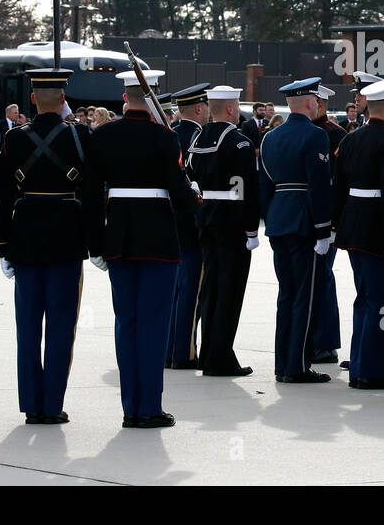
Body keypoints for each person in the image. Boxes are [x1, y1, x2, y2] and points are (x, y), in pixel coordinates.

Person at [82, 69, 198, 428]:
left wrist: (95, 244)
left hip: (118, 236)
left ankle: (130, 406)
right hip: (158, 240)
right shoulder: (165, 139)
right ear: (153, 98)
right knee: (154, 324)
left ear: (123, 98)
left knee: (127, 322)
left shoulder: (102, 136)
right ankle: (148, 407)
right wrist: (192, 192)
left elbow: (89, 195)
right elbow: (179, 195)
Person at [0, 69, 91, 425]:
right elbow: (92, 193)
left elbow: (5, 197)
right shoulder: (80, 136)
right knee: (61, 326)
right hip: (67, 236)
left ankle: (31, 404)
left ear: (33, 100)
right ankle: (52, 404)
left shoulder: (15, 138)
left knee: (28, 327)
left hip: (26, 236)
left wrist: (3, 244)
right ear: (63, 99)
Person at [331, 78, 384, 390]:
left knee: (364, 298)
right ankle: (373, 372)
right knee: (381, 302)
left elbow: (337, 187)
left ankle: (359, 367)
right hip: (379, 233)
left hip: (353, 230)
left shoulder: (350, 139)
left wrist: (338, 225)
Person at [259, 77, 333, 384]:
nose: (318, 104)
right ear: (307, 102)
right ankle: (297, 366)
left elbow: (264, 186)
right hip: (304, 222)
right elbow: (318, 185)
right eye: (316, 99)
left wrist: (269, 217)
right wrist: (323, 229)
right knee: (305, 295)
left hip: (278, 220)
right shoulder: (315, 136)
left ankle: (282, 363)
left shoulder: (270, 138)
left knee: (286, 295)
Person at [186, 85, 260, 376]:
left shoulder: (199, 138)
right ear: (230, 108)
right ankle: (221, 357)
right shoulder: (238, 142)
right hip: (232, 223)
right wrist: (252, 229)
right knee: (229, 293)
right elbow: (248, 189)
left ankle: (208, 354)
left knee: (211, 290)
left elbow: (190, 177)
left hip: (207, 220)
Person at [163, 82, 211, 370]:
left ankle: (170, 348)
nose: (208, 111)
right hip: (191, 223)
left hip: (170, 223)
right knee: (191, 291)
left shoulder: (170, 135)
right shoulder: (198, 138)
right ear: (198, 107)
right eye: (205, 106)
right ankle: (184, 351)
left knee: (175, 290)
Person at [307, 84, 347, 365]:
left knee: (322, 278)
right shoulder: (305, 131)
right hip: (306, 216)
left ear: (320, 105)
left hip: (327, 219)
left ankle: (325, 342)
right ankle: (311, 339)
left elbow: (338, 182)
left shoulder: (336, 135)